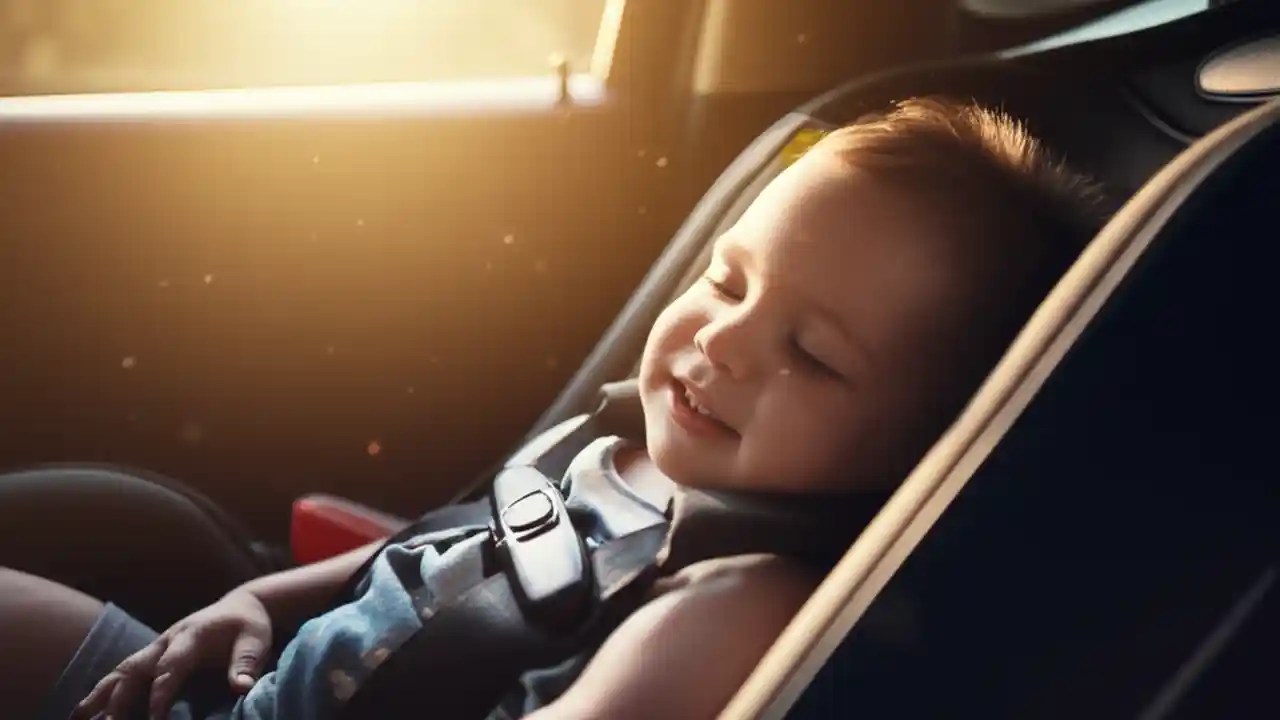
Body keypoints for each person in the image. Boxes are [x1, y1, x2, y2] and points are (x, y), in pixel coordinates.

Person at [0, 97, 1106, 720]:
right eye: (724, 283)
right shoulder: (614, 444)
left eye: (810, 356)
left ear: (931, 444)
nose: (719, 338)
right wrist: (252, 601)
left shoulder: (732, 609)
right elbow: (429, 554)